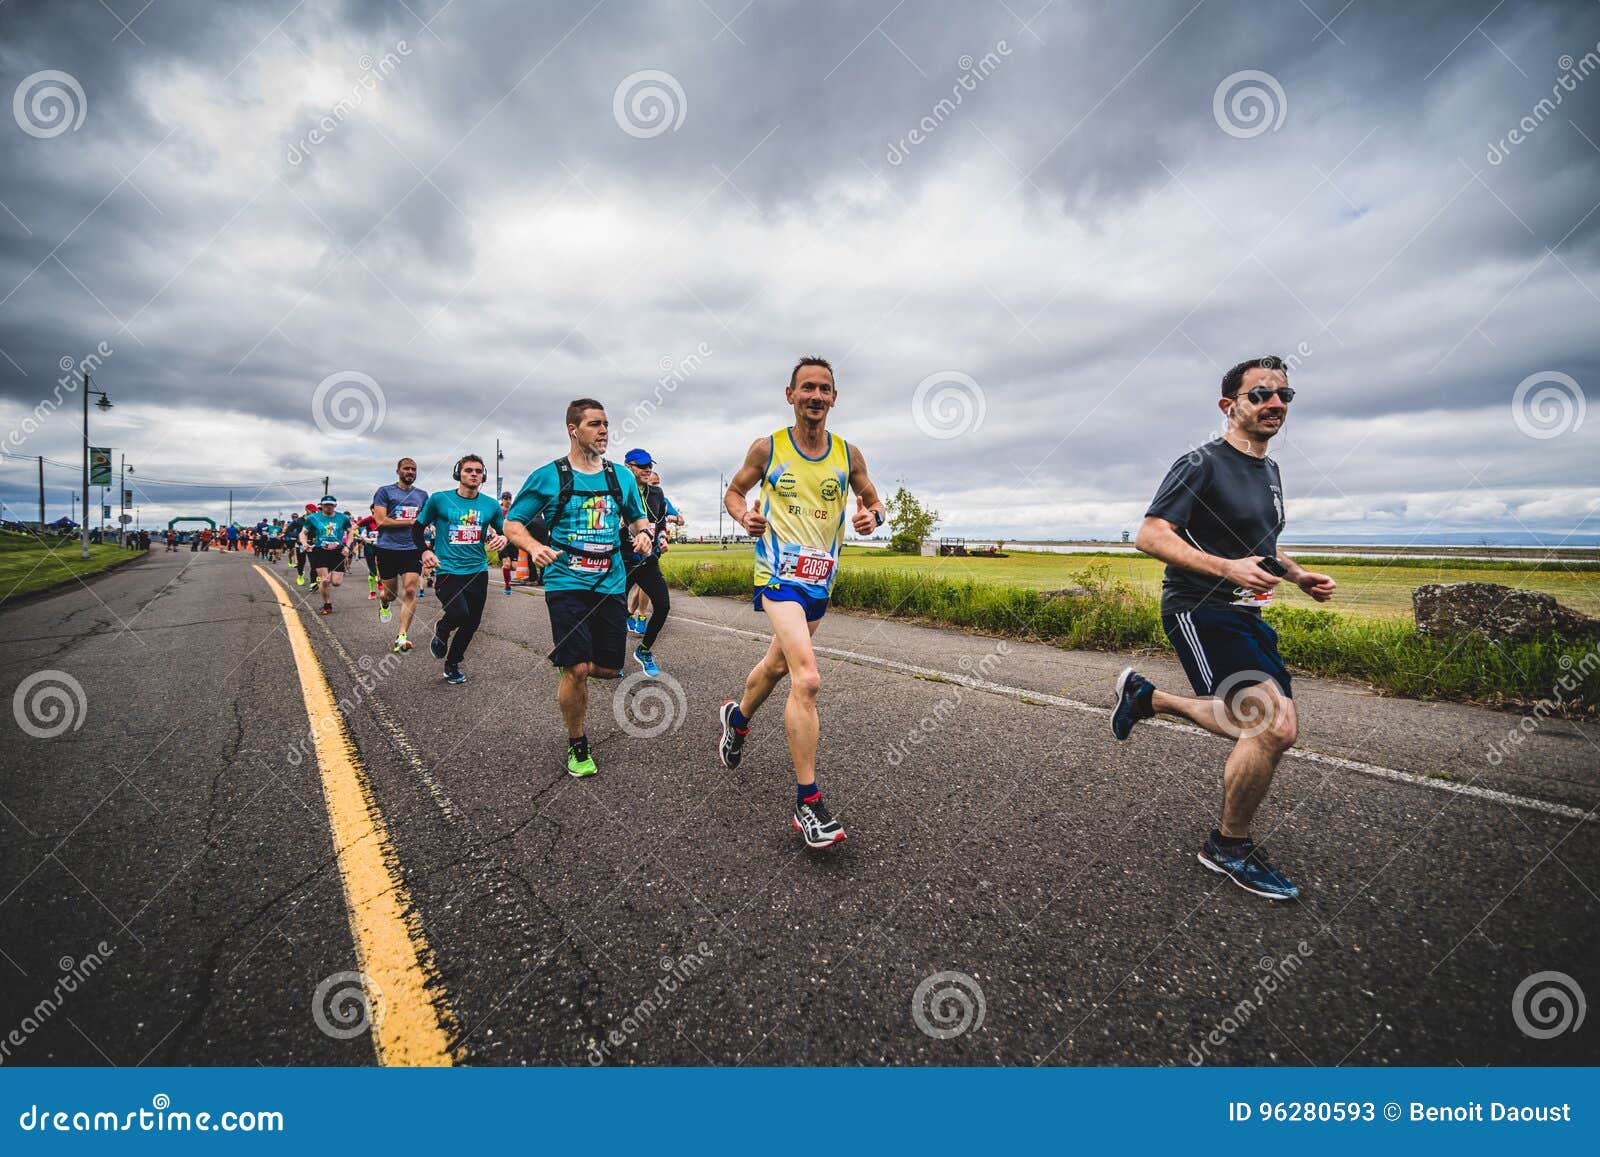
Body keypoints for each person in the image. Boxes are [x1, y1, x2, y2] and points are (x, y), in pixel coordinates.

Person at [1112, 356, 1337, 902]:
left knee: (1269, 726)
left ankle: (1148, 698)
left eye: (1284, 395)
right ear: (1229, 405)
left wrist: (1298, 574)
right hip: (1199, 607)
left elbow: (1259, 544)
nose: (1275, 404)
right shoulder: (1201, 463)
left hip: (1247, 610)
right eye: (1260, 394)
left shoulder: (1269, 472)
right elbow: (1150, 535)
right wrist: (1225, 568)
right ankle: (1228, 847)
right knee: (1271, 728)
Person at [718, 356, 887, 850]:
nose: (816, 396)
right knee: (806, 677)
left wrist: (871, 517)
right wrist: (743, 515)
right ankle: (808, 804)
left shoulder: (848, 454)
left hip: (819, 583)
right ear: (789, 395)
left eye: (825, 389)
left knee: (775, 666)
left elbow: (874, 500)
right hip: (776, 577)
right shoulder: (768, 447)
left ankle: (738, 717)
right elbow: (734, 492)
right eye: (807, 388)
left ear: (835, 398)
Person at [503, 398, 652, 778]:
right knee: (578, 669)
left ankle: (573, 669)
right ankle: (578, 743)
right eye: (594, 424)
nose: (603, 431)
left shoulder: (620, 477)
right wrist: (535, 547)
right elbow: (513, 524)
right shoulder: (548, 476)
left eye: (606, 424)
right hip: (566, 580)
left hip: (611, 581)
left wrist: (645, 536)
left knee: (608, 667)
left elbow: (638, 519)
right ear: (573, 429)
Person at [418, 454, 508, 684]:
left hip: (478, 570)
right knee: (459, 613)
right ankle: (442, 628)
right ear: (459, 473)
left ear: (483, 475)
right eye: (469, 470)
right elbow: (416, 528)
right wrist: (425, 551)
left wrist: (504, 538)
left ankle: (452, 663)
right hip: (448, 568)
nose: (474, 474)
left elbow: (506, 530)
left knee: (472, 622)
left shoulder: (490, 505)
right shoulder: (439, 499)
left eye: (478, 471)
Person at [620, 448, 676, 677]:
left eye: (649, 465)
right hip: (621, 561)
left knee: (663, 606)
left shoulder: (657, 493)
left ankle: (644, 651)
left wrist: (662, 538)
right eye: (642, 466)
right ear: (628, 468)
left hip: (647, 560)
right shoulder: (618, 491)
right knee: (613, 611)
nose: (647, 469)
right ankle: (611, 656)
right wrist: (621, 526)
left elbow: (661, 523)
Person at [371, 458, 429, 652]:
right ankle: (384, 602)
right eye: (406, 468)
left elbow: (426, 519)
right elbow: (380, 521)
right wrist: (410, 522)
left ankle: (402, 635)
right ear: (398, 471)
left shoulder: (422, 495)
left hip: (412, 549)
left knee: (411, 591)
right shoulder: (385, 492)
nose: (410, 472)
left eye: (413, 469)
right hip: (387, 549)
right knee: (391, 593)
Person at [299, 496, 353, 615]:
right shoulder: (313, 518)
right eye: (326, 504)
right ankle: (327, 604)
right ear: (321, 505)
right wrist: (304, 543)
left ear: (335, 505)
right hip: (320, 551)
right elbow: (303, 533)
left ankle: (326, 594)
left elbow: (351, 531)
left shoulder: (343, 518)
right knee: (325, 580)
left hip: (337, 551)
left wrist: (347, 546)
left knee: (336, 582)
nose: (329, 507)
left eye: (331, 504)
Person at [355, 512, 381, 599]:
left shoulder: (385, 521)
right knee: (372, 570)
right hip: (370, 548)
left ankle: (380, 581)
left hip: (382, 548)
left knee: (383, 567)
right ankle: (372, 592)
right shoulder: (368, 524)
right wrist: (366, 539)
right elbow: (361, 534)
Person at [498, 491, 517, 595]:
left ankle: (507, 578)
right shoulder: (498, 510)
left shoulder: (513, 510)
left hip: (513, 540)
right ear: (502, 500)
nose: (508, 501)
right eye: (506, 499)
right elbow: (490, 524)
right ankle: (507, 586)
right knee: (506, 563)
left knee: (514, 566)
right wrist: (493, 535)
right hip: (501, 540)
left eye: (509, 499)